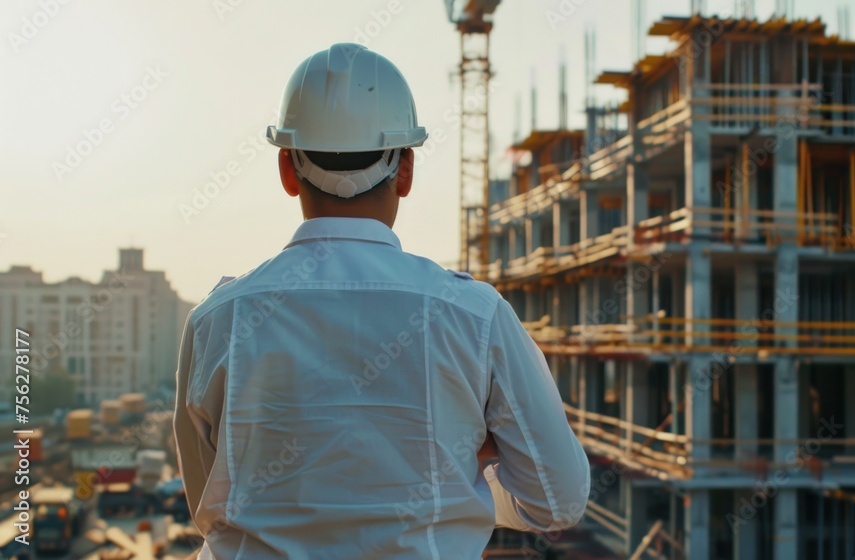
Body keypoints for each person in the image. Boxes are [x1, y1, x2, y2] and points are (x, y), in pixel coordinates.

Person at [173, 43, 590, 560]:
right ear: (406, 169)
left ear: (287, 168)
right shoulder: (474, 316)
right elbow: (557, 501)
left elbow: (208, 508)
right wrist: (459, 478)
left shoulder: (217, 319)